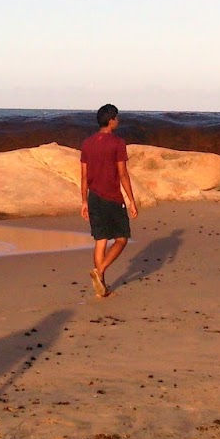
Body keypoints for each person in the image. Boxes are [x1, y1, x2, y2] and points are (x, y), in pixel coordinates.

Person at [80, 102, 139, 298]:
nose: (118, 120)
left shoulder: (87, 143)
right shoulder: (117, 143)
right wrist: (131, 200)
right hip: (112, 198)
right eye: (116, 117)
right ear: (111, 120)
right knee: (121, 238)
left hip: (94, 198)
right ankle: (100, 271)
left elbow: (84, 176)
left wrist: (84, 201)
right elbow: (123, 174)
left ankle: (102, 289)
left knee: (101, 241)